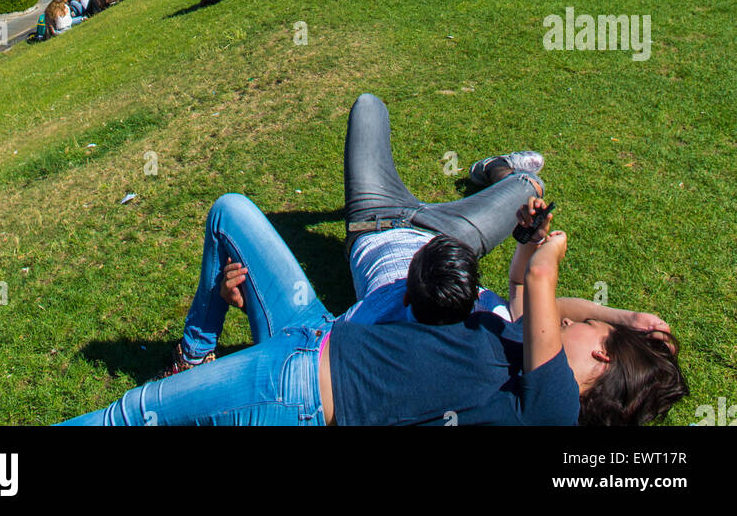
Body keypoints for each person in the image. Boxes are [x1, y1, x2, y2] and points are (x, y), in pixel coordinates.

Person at [60, 96, 686, 428]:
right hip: (330, 324)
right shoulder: (520, 356)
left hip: (314, 360)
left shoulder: (547, 407)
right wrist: (620, 312)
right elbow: (526, 284)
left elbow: (542, 277)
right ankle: (193, 354)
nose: (571, 325)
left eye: (589, 331)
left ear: (599, 357)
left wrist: (548, 250)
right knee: (232, 209)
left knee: (133, 415)